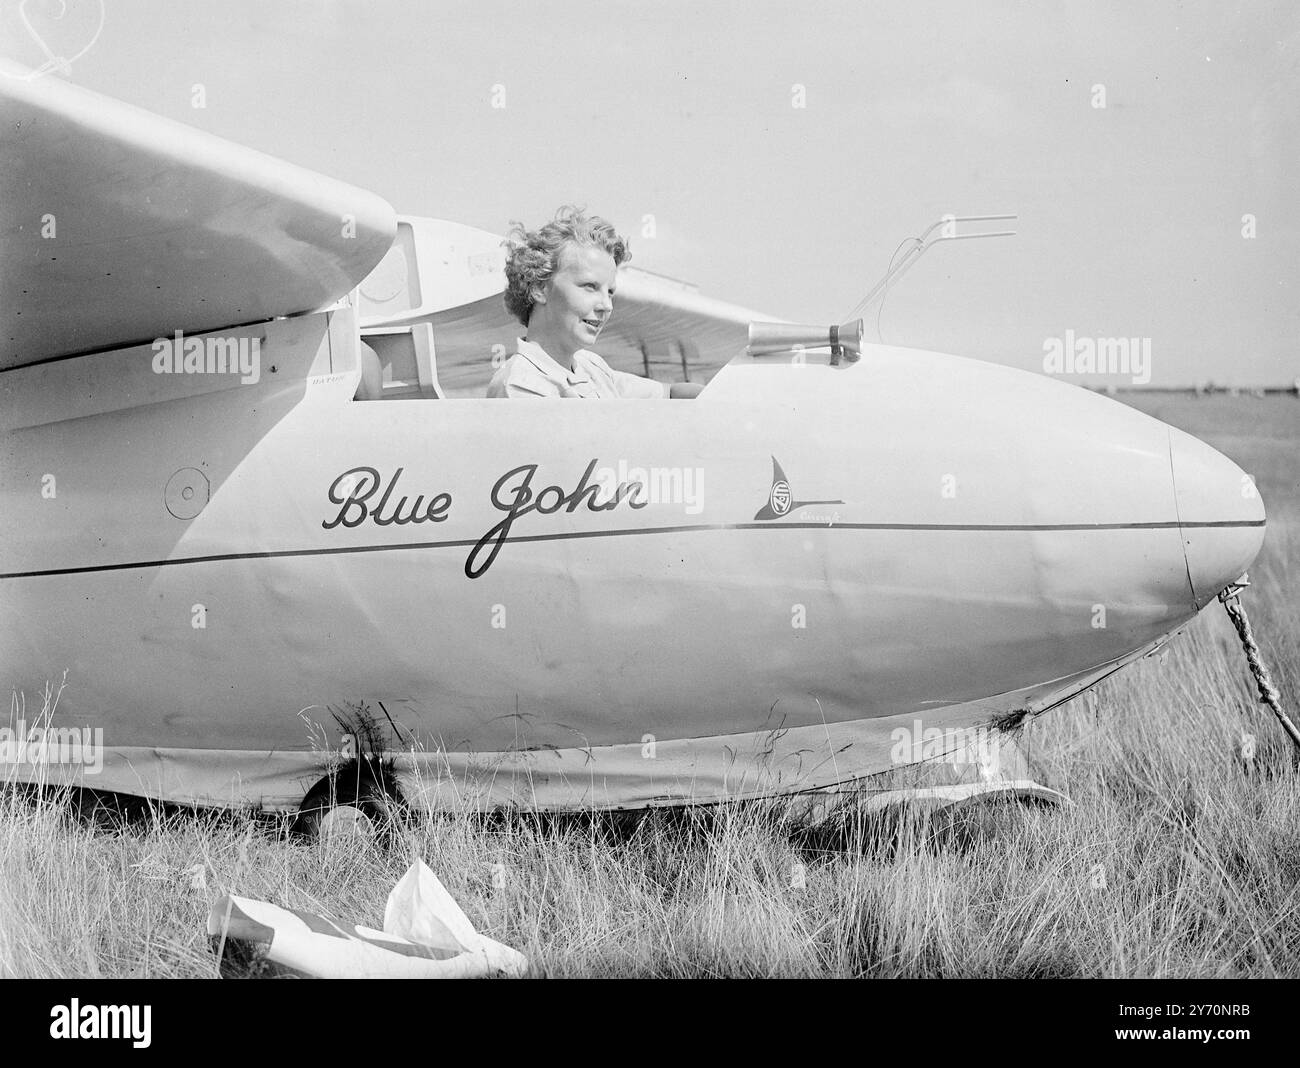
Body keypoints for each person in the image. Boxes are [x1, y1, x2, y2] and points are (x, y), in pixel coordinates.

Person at [487, 206, 704, 399]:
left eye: (609, 292)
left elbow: (669, 394)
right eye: (590, 286)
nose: (606, 305)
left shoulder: (591, 367)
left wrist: (723, 393)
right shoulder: (520, 385)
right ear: (539, 289)